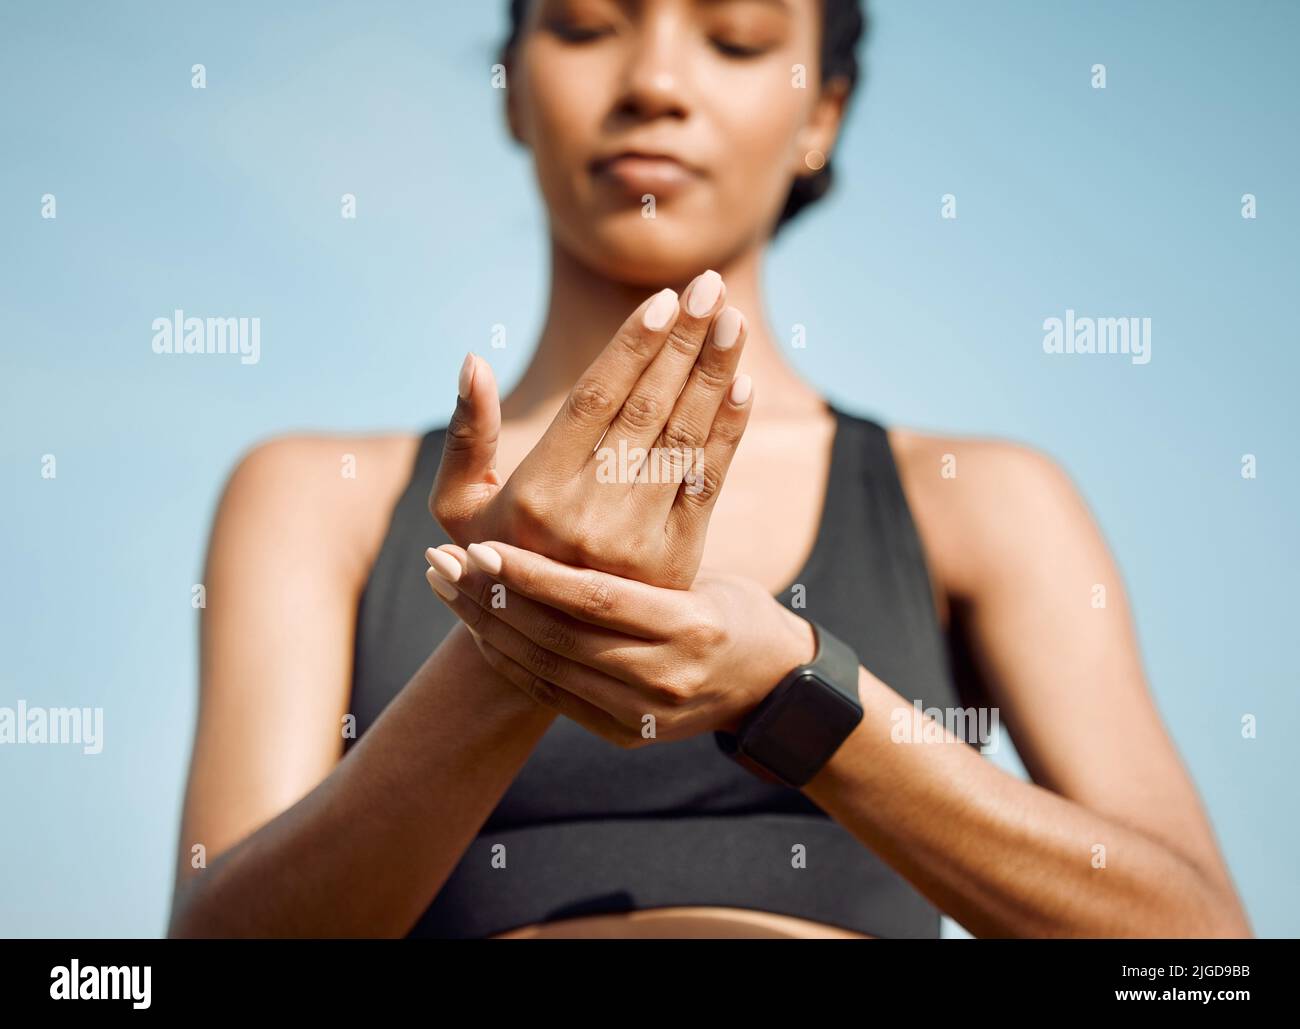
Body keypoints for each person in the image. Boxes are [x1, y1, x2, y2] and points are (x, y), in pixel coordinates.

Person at [167, 0, 1250, 938]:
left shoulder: (983, 499)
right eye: (587, 27)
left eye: (734, 40)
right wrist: (518, 641)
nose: (653, 82)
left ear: (820, 115)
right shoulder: (317, 498)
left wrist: (794, 686)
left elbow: (1193, 953)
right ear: (511, 92)